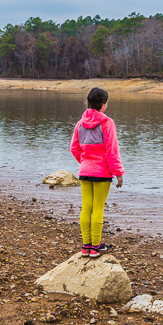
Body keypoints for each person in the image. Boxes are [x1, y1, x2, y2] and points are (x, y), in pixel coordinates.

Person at [70, 87, 124, 258]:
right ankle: (95, 246)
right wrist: (118, 173)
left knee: (87, 206)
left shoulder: (79, 124)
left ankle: (86, 246)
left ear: (89, 103)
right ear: (103, 104)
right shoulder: (107, 123)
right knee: (98, 207)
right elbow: (112, 151)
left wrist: (85, 162)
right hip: (102, 173)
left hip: (85, 172)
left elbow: (74, 148)